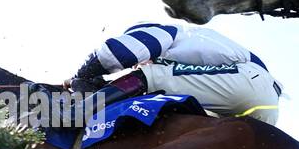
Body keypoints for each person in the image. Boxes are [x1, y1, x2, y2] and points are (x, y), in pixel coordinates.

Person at [64, 22, 282, 127]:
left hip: (248, 82)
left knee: (152, 76)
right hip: (266, 110)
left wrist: (81, 75)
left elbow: (117, 52)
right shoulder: (193, 52)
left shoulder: (167, 32)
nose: (135, 66)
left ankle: (69, 118)